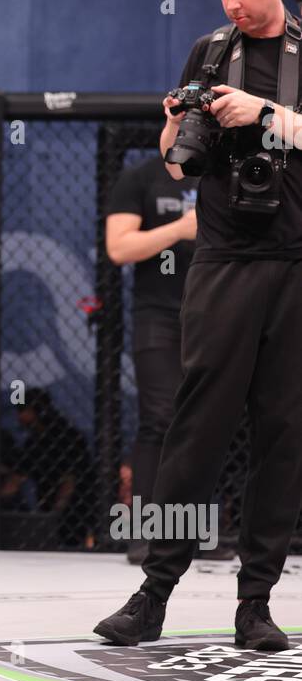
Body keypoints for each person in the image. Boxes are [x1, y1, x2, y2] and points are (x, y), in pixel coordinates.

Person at [95, 0, 302, 652]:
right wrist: (173, 128)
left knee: (283, 433)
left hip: (295, 265)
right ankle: (152, 596)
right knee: (193, 430)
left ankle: (256, 604)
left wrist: (268, 115)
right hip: (223, 262)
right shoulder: (210, 51)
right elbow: (180, 166)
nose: (232, 4)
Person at [105, 156, 233, 564]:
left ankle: (192, 532)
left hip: (218, 310)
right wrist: (180, 229)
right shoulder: (142, 177)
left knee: (208, 420)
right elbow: (119, 247)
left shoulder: (227, 170)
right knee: (159, 416)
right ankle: (146, 533)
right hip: (158, 316)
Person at [0, 388, 95, 549]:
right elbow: (17, 477)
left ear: (35, 410)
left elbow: (70, 480)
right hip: (50, 510)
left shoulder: (67, 437)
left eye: (22, 410)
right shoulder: (33, 442)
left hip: (75, 509)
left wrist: (55, 515)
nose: (18, 416)